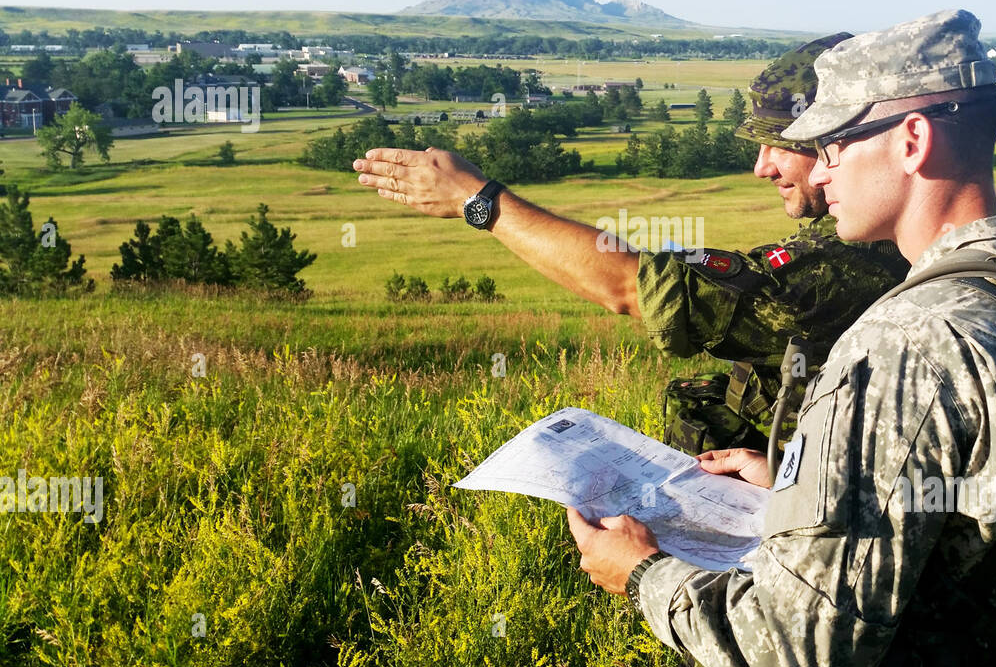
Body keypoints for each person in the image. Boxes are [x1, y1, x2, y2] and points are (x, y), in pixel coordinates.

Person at [566, 9, 996, 667]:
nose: (820, 175)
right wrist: (798, 496)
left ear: (911, 141)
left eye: (834, 146)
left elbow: (796, 652)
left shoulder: (908, 341)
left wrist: (644, 574)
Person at [353, 36, 910, 454]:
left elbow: (631, 288)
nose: (760, 167)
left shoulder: (854, 257)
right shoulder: (862, 235)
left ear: (850, 137)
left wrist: (480, 202)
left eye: (781, 144)